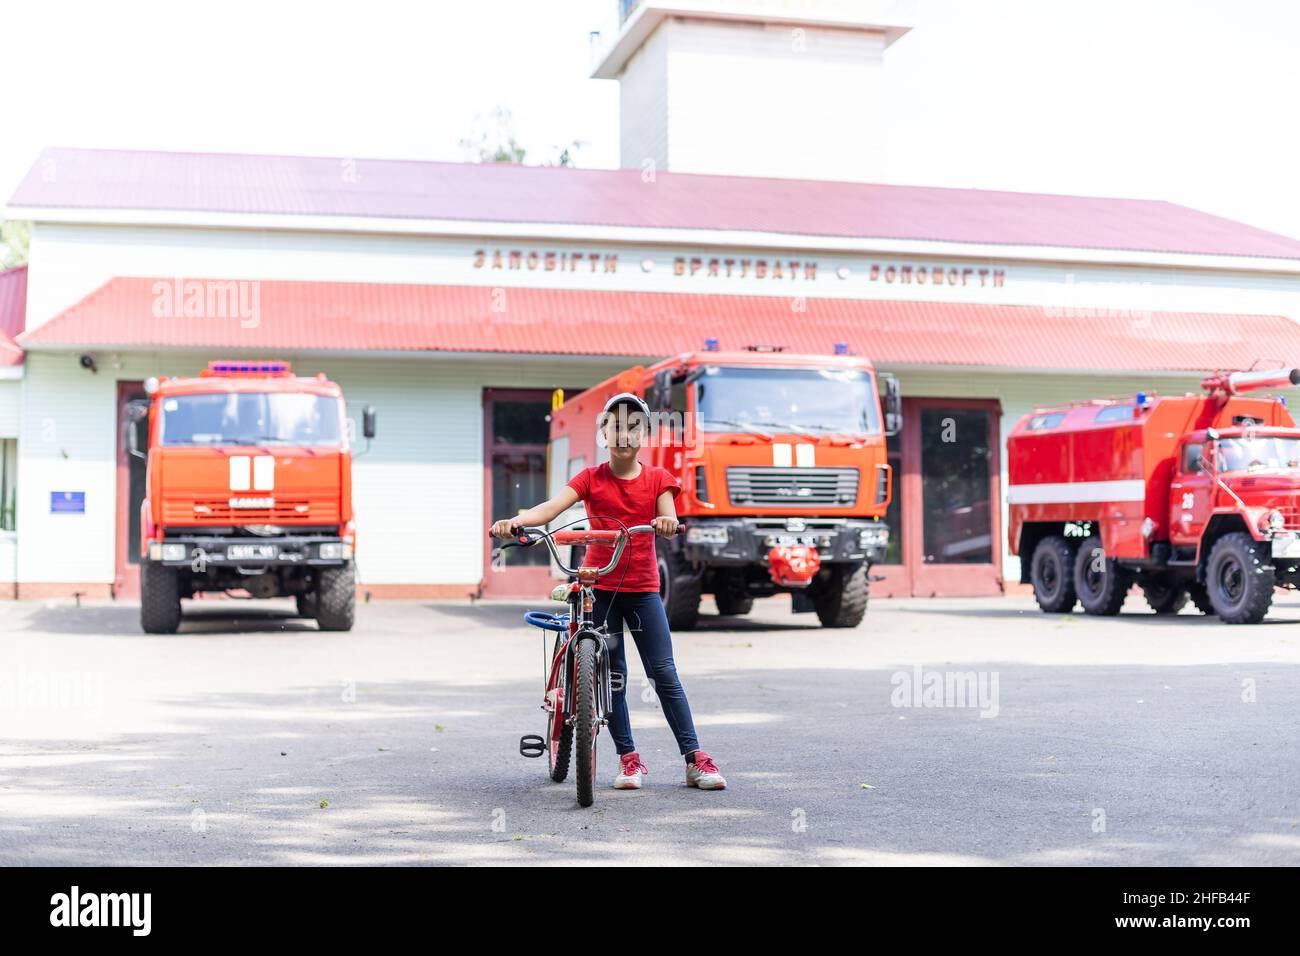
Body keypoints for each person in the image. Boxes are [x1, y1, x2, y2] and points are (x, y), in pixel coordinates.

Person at [490, 392, 726, 792]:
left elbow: (668, 515)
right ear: (604, 433)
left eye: (633, 427)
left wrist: (666, 523)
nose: (624, 434)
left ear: (645, 434)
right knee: (613, 676)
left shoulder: (657, 480)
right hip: (601, 590)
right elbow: (549, 510)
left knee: (664, 674)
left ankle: (695, 759)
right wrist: (514, 522)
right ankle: (629, 759)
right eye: (615, 426)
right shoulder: (590, 479)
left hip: (642, 590)